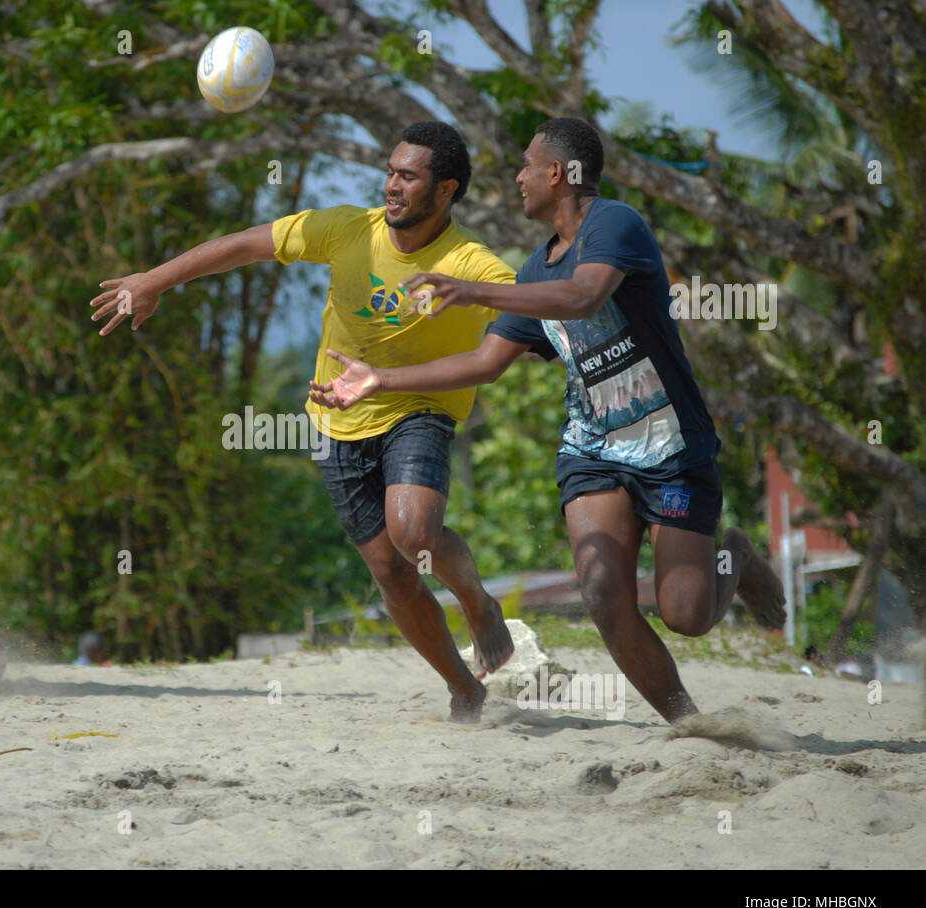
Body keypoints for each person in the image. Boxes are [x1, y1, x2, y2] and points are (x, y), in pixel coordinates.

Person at [308, 117, 786, 724]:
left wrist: (473, 292)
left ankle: (734, 557)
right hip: (592, 452)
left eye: (526, 167)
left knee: (687, 614)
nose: (517, 178)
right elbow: (485, 362)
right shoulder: (534, 270)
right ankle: (690, 725)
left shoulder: (615, 225)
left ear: (556, 173)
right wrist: (381, 379)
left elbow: (584, 296)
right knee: (605, 596)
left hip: (671, 448)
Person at [92, 121, 518, 721]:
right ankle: (463, 687)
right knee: (391, 574)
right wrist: (154, 280)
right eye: (390, 171)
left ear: (446, 190)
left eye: (408, 176)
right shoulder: (347, 229)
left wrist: (476, 295)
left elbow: (521, 301)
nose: (392, 185)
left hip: (417, 410)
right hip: (335, 417)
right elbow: (246, 244)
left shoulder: (471, 261)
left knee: (415, 532)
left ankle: (476, 602)